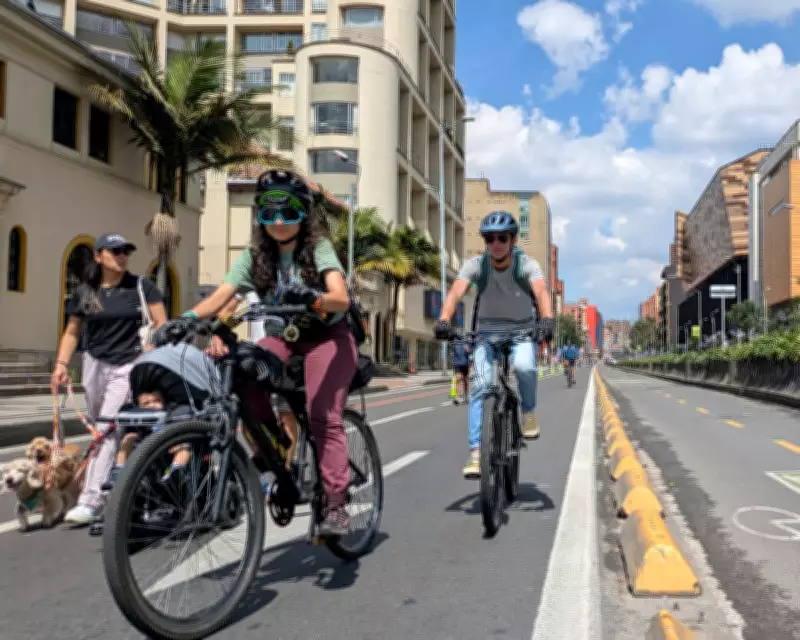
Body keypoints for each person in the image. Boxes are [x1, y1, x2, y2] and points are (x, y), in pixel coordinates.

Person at [159, 170, 356, 536]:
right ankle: (276, 444)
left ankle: (337, 504)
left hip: (329, 337)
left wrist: (313, 298)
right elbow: (224, 293)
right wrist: (184, 319)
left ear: (304, 215)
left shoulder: (319, 248)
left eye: (289, 212)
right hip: (284, 337)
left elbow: (340, 297)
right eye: (269, 213)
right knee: (243, 368)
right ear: (259, 216)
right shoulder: (255, 257)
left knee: (321, 415)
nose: (279, 222)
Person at [51, 233, 167, 525]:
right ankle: (122, 482)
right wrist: (62, 364)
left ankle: (91, 501)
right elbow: (72, 331)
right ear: (98, 256)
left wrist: (153, 349)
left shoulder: (141, 286)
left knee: (107, 428)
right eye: (114, 251)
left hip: (129, 364)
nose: (121, 255)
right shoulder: (86, 292)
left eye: (125, 251)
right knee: (99, 428)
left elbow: (163, 325)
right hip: (94, 362)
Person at [434, 212, 554, 478]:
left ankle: (529, 412)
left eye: (502, 238)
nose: (496, 243)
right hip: (486, 333)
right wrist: (443, 320)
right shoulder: (477, 265)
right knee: (481, 386)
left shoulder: (527, 265)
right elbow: (456, 292)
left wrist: (546, 320)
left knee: (524, 366)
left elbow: (541, 292)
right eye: (490, 238)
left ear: (513, 239)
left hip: (522, 330)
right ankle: (476, 453)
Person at [451, 338, 470, 404]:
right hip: (460, 364)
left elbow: (469, 352)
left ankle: (464, 396)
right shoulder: (456, 344)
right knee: (460, 380)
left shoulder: (465, 343)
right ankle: (459, 397)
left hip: (463, 364)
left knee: (463, 381)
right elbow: (453, 354)